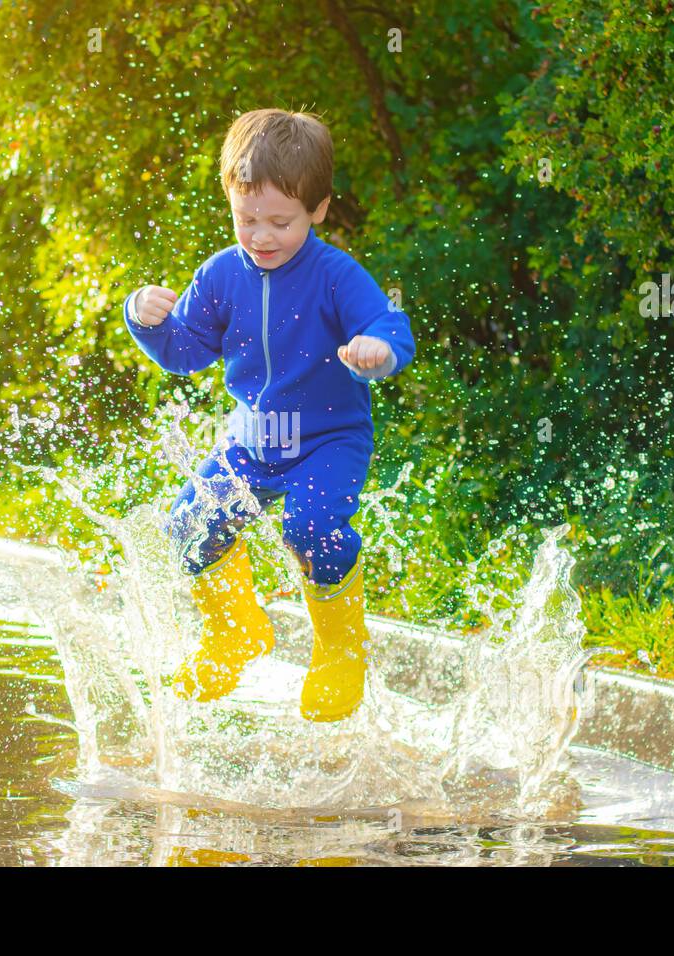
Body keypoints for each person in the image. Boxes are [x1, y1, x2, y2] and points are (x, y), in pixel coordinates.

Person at [122, 108, 415, 721]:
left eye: (280, 222)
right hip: (253, 442)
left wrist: (379, 349)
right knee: (190, 522)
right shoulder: (221, 274)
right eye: (245, 218)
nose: (260, 236)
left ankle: (339, 645)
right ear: (230, 199)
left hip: (329, 440)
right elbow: (185, 352)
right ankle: (235, 631)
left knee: (311, 528)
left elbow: (387, 323)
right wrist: (144, 320)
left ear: (319, 209)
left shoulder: (335, 275)